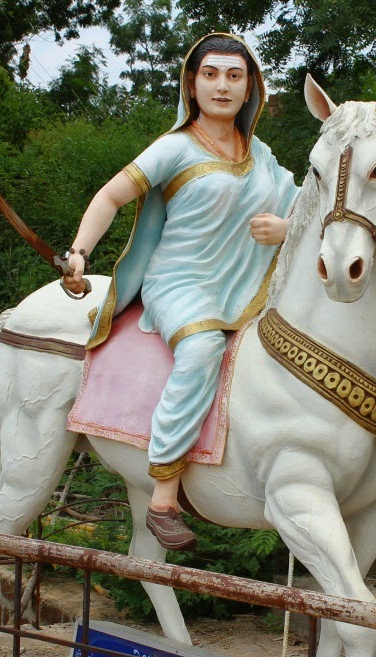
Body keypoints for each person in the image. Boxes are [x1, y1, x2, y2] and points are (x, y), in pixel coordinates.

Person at [61, 33, 299, 552]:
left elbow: (306, 202)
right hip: (179, 281)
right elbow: (111, 195)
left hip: (248, 286)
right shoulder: (175, 147)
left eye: (235, 76)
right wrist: (79, 252)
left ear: (250, 87)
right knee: (202, 348)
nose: (222, 85)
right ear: (192, 84)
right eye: (210, 74)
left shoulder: (261, 155)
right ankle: (164, 496)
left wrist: (287, 228)